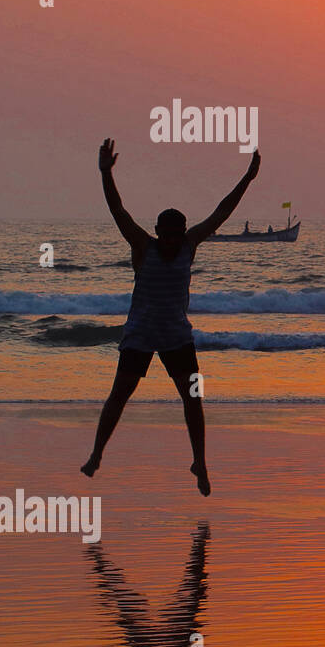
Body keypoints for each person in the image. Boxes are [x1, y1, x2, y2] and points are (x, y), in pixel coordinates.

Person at [82, 138, 261, 496]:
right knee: (119, 395)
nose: (172, 241)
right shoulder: (141, 245)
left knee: (193, 397)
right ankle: (97, 454)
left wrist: (248, 177)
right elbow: (118, 210)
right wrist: (105, 173)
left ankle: (200, 462)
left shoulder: (190, 244)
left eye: (178, 235)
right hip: (140, 335)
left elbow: (221, 213)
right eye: (168, 235)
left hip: (178, 336)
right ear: (158, 232)